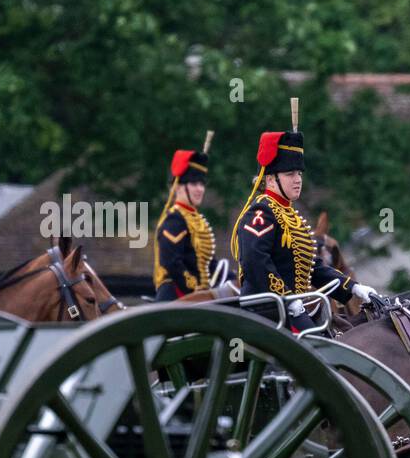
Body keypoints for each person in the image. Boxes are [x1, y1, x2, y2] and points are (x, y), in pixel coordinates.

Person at [234, 129, 380, 330]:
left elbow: (312, 267)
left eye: (299, 173)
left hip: (294, 305)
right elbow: (255, 261)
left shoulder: (290, 215)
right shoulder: (261, 213)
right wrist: (287, 298)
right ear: (270, 180)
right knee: (321, 353)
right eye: (289, 174)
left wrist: (353, 287)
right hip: (268, 309)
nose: (297, 179)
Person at [153, 147, 216, 300]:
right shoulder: (174, 221)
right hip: (175, 296)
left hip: (197, 297)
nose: (200, 189)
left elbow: (207, 264)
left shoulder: (197, 219)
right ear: (178, 187)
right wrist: (197, 290)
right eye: (194, 184)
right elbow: (171, 263)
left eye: (202, 184)